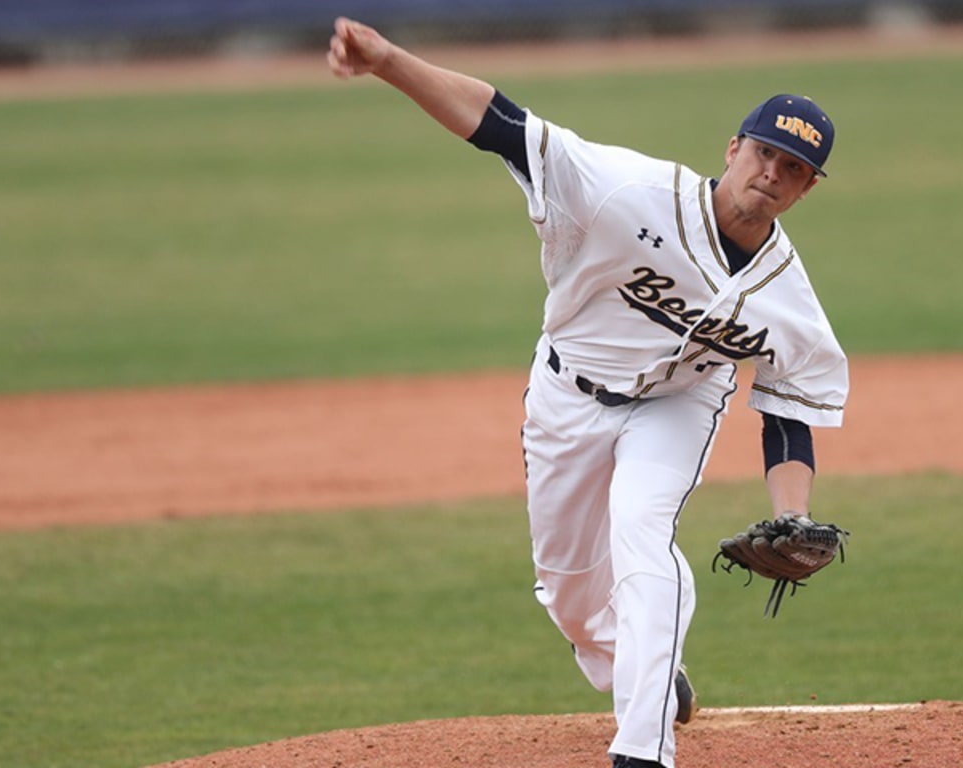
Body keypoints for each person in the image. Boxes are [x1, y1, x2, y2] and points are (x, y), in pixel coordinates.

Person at [328, 17, 849, 768]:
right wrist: (384, 61)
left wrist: (791, 513)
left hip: (678, 404)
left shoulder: (788, 301)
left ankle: (642, 749)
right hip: (566, 396)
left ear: (807, 188)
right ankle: (650, 679)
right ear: (733, 149)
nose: (772, 172)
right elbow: (499, 125)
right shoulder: (624, 188)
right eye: (765, 152)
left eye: (794, 167)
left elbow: (788, 411)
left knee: (643, 534)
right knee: (572, 598)